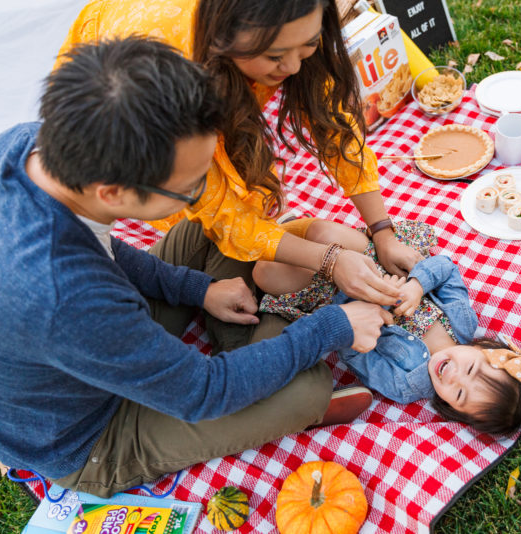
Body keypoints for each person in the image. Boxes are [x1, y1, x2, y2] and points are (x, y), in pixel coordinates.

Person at [0, 37, 391, 498]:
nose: (203, 192)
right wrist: (330, 328)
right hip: (89, 434)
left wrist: (199, 290)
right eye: (190, 188)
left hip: (82, 344)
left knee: (215, 231)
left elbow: (104, 250)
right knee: (306, 389)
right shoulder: (62, 293)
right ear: (113, 192)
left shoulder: (27, 147)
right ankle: (267, 382)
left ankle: (250, 358)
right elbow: (202, 393)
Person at [56, 0, 424, 327]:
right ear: (226, 39)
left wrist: (382, 230)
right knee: (200, 220)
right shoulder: (172, 81)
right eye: (276, 55)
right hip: (137, 82)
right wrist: (328, 261)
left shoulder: (289, 31)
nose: (295, 67)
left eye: (309, 43)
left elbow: (335, 124)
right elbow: (216, 208)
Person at [255, 222, 521, 434]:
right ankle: (293, 237)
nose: (454, 378)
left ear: (454, 409)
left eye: (460, 395)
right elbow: (444, 268)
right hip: (372, 264)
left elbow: (353, 353)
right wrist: (417, 285)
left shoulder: (405, 386)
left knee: (263, 274)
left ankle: (288, 246)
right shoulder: (462, 321)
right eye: (470, 370)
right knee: (321, 234)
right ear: (485, 350)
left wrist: (372, 310)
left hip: (332, 298)